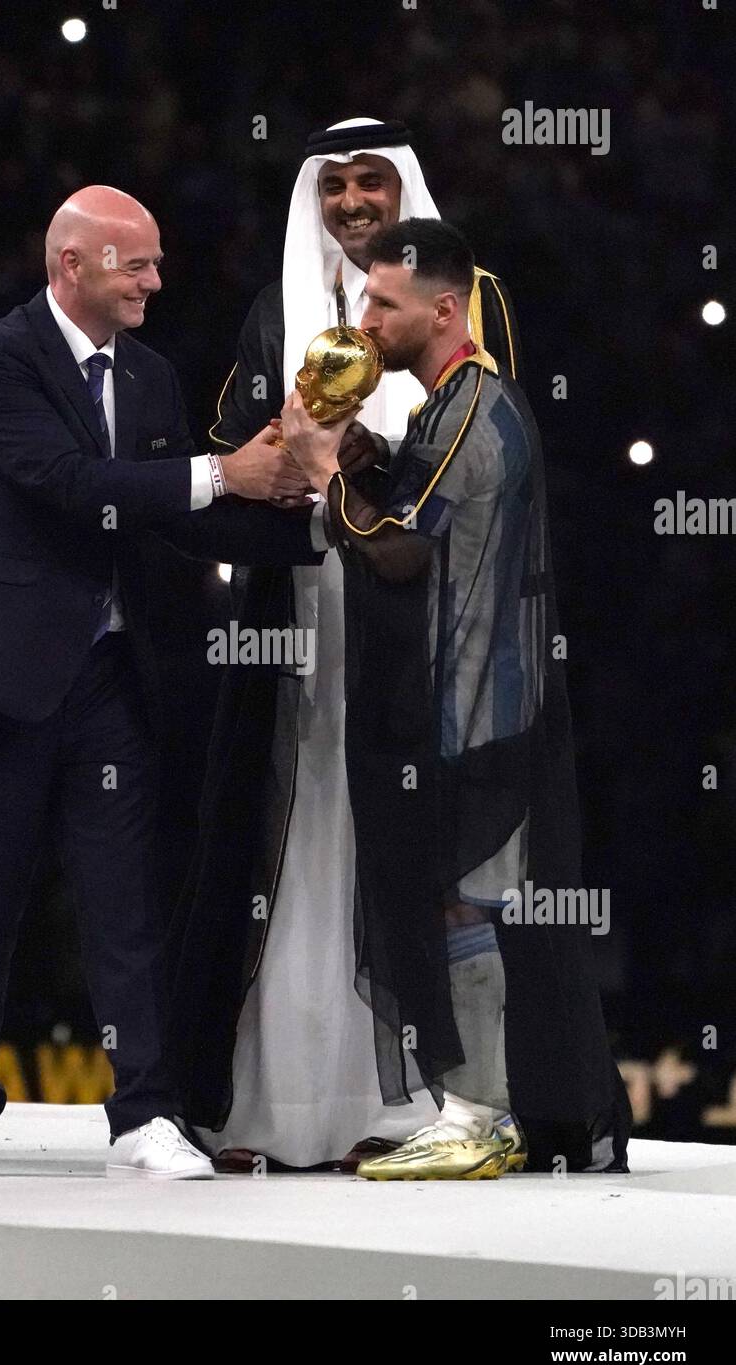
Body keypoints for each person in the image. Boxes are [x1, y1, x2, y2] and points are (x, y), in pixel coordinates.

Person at [0, 185, 327, 1181]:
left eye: (156, 261)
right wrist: (229, 471)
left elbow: (171, 514)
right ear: (71, 266)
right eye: (135, 263)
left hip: (110, 674)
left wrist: (316, 523)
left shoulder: (148, 376)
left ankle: (142, 1114)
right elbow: (69, 484)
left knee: (125, 899)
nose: (154, 280)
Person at [169, 119, 519, 1172]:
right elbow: (228, 459)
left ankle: (419, 1107)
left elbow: (484, 454)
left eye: (374, 183)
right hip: (293, 615)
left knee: (400, 835)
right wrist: (290, 449)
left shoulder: (470, 301)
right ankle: (269, 1108)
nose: (356, 202)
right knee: (288, 826)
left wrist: (373, 457)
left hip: (413, 610)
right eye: (337, 188)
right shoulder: (274, 315)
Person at [278, 218, 632, 1177]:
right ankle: (493, 1112)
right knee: (464, 904)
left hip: (480, 703)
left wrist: (319, 472)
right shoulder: (447, 406)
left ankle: (488, 1117)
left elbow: (400, 552)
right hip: (467, 697)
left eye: (382, 303)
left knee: (472, 903)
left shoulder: (474, 409)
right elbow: (414, 509)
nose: (366, 320)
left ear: (441, 309)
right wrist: (362, 463)